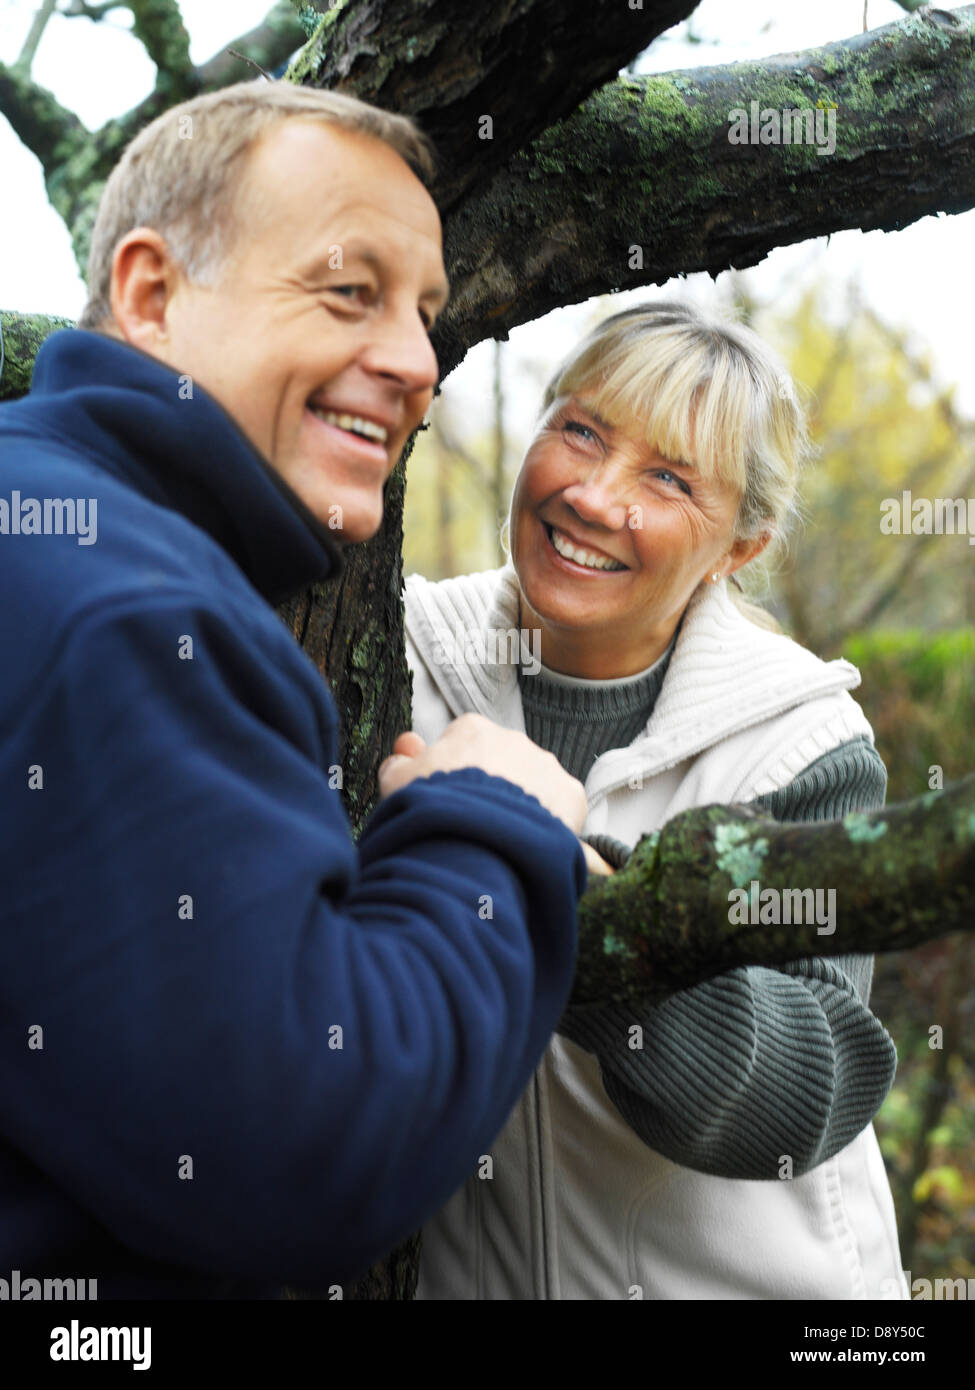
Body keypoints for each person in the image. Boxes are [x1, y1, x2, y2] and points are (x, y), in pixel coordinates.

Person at [0, 81, 592, 1300]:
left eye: (426, 315)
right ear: (152, 294)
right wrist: (492, 826)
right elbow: (295, 1149)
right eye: (348, 290)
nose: (417, 363)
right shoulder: (121, 609)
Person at [404, 301, 908, 1300]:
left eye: (669, 479)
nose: (592, 495)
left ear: (739, 548)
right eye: (581, 430)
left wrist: (567, 880)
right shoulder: (406, 652)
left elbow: (805, 1092)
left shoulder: (795, 742)